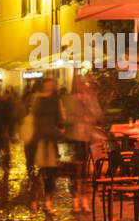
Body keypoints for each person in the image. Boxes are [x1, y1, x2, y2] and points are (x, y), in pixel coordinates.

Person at [27, 75, 66, 213]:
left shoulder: (56, 100)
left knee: (51, 172)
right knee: (37, 173)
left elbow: (60, 117)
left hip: (50, 139)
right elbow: (32, 116)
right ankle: (35, 200)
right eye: (47, 82)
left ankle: (48, 202)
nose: (49, 85)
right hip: (38, 139)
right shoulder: (36, 98)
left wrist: (60, 128)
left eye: (51, 82)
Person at [63, 77, 103, 212]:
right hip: (75, 137)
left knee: (86, 170)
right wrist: (79, 117)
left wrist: (89, 109)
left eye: (84, 84)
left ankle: (84, 199)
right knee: (76, 170)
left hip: (87, 138)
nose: (83, 87)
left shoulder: (90, 99)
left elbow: (99, 115)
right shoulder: (71, 100)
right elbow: (66, 118)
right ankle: (75, 200)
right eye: (80, 84)